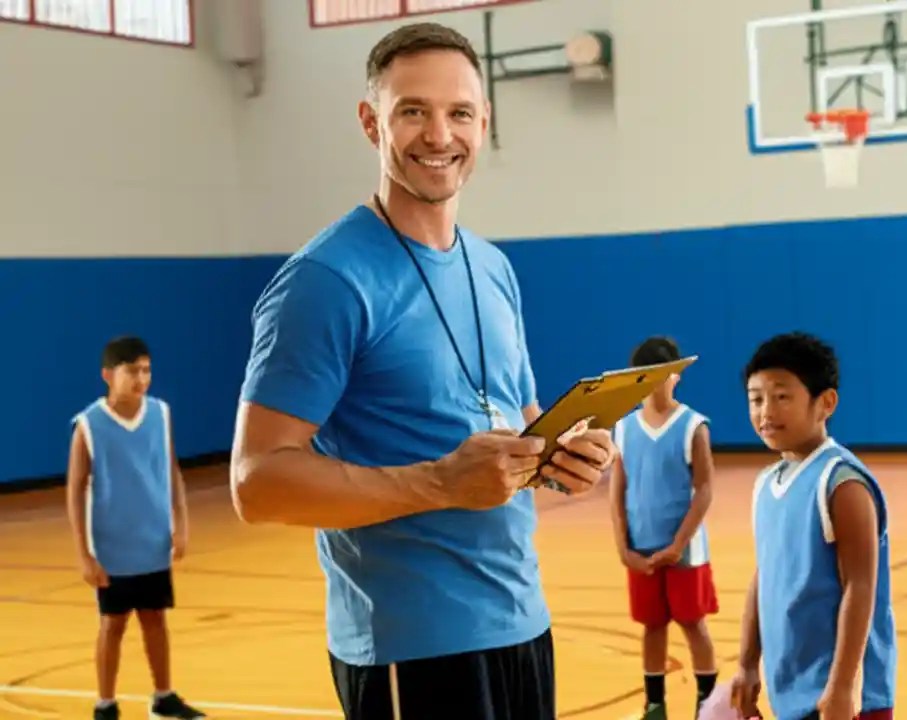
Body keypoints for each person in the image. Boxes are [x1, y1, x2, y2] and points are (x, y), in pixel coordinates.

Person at [228, 21, 617, 720]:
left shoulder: (492, 267)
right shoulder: (324, 281)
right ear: (370, 122)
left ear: (483, 121)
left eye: (459, 112)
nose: (439, 135)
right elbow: (255, 483)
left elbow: (519, 421)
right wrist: (441, 481)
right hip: (412, 648)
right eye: (413, 111)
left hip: (522, 622)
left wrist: (564, 454)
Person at [730, 332, 897, 720]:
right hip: (790, 693)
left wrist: (842, 687)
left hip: (842, 698)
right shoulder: (766, 483)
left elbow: (860, 586)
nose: (766, 411)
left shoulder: (842, 483)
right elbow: (764, 575)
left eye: (782, 396)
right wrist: (747, 664)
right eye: (756, 399)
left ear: (826, 403)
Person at [65, 336, 205, 720]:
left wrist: (181, 524)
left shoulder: (161, 413)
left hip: (153, 541)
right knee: (112, 624)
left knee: (155, 619)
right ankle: (105, 704)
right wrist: (84, 554)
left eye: (146, 370)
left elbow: (172, 471)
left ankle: (164, 697)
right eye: (132, 371)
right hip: (112, 548)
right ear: (108, 375)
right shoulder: (88, 425)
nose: (141, 378)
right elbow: (74, 492)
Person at [608, 336, 719, 720]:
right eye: (645, 376)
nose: (655, 384)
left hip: (684, 551)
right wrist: (623, 547)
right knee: (652, 626)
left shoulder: (692, 426)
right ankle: (655, 707)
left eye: (662, 375)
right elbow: (617, 492)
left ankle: (708, 705)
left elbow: (705, 489)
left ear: (677, 376)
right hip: (641, 547)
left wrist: (678, 543)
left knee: (693, 624)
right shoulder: (623, 428)